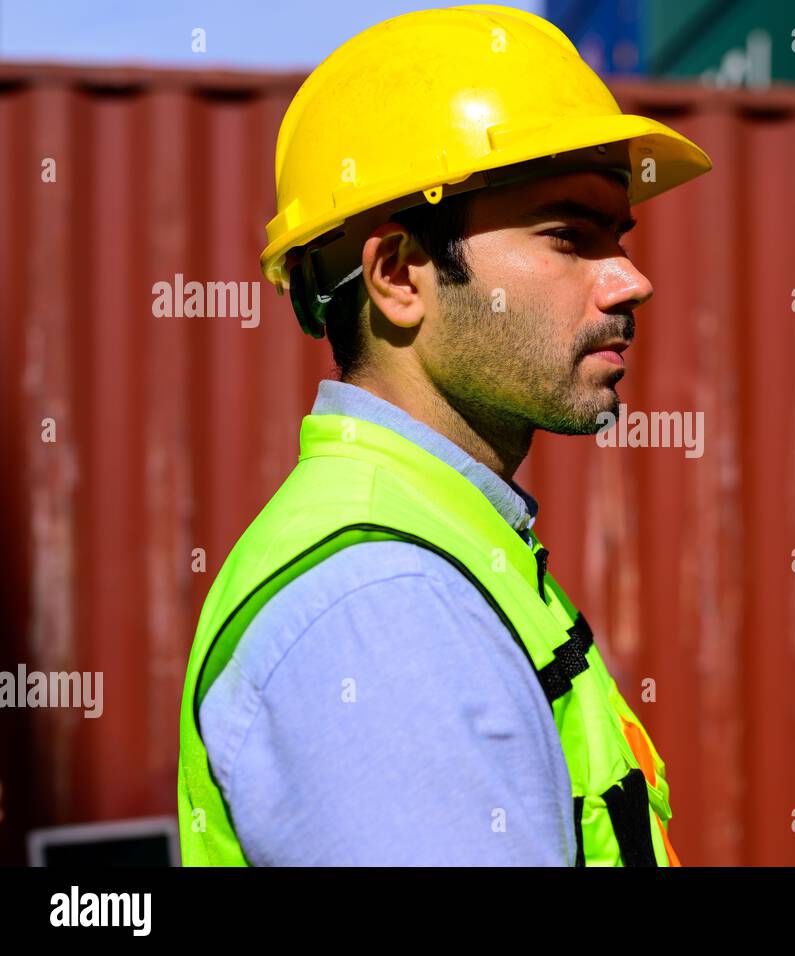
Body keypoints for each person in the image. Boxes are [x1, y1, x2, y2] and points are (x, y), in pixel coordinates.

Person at [176, 5, 711, 866]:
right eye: (568, 235)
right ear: (397, 276)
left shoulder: (444, 547)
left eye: (620, 237)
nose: (631, 281)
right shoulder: (379, 609)